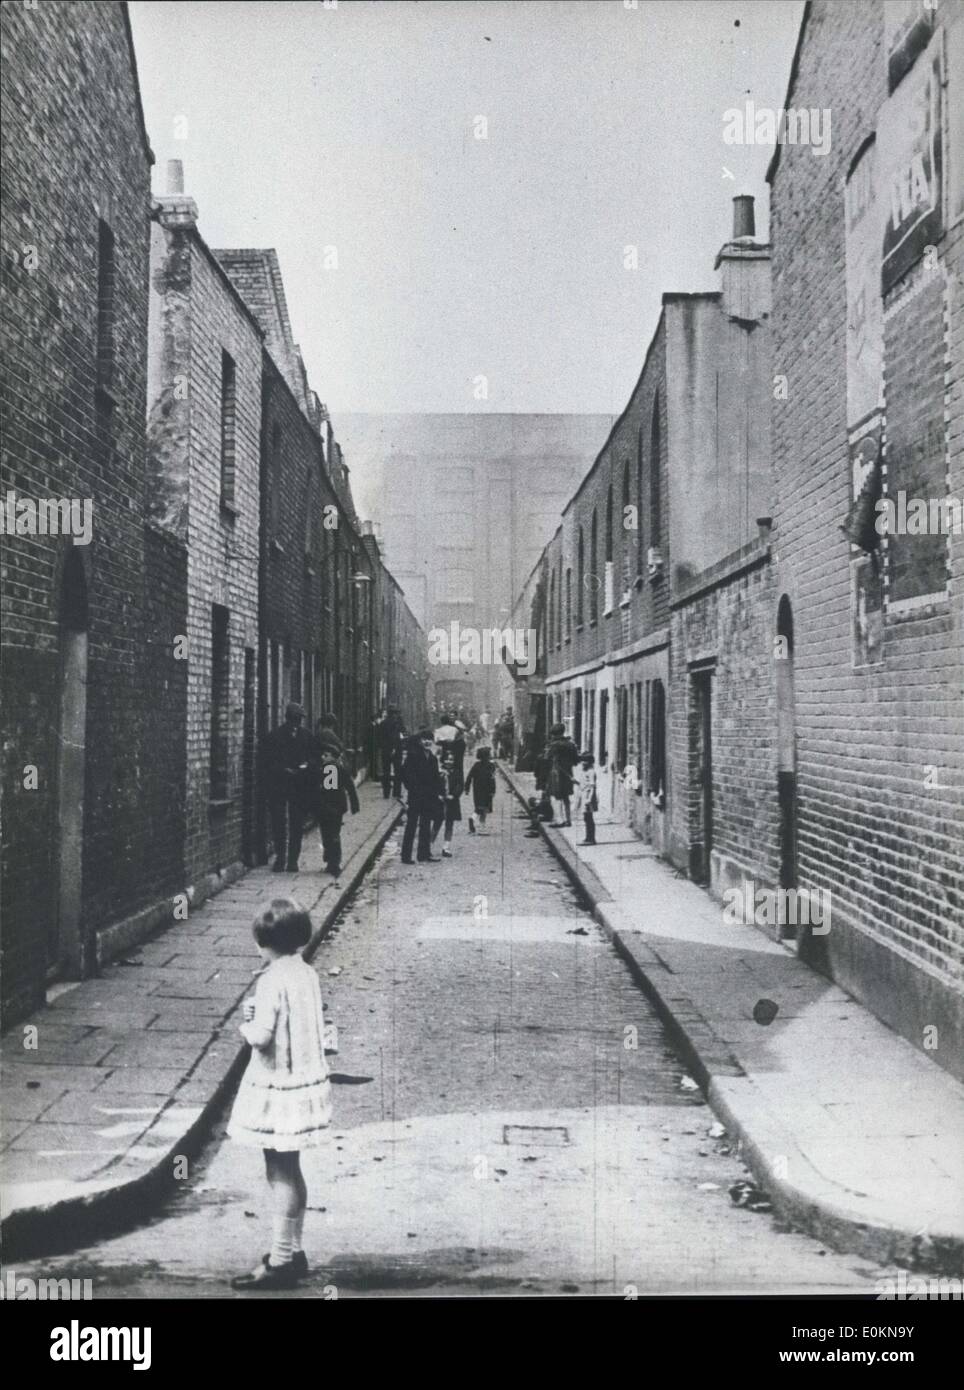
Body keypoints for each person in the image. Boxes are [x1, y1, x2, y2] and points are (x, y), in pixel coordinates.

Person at [228, 898, 332, 1289]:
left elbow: (262, 1036)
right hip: (303, 1085)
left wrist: (245, 1024)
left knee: (279, 1171)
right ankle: (295, 1250)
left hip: (278, 1088)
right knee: (293, 1167)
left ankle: (281, 1260)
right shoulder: (307, 974)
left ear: (265, 943)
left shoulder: (270, 980)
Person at [263, 702, 315, 872]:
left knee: (296, 824)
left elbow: (313, 759)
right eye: (294, 719)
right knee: (278, 823)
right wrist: (283, 769)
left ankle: (293, 860)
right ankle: (280, 858)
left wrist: (306, 767)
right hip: (280, 785)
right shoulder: (275, 736)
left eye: (299, 719)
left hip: (299, 786)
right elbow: (268, 762)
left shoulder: (307, 736)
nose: (297, 723)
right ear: (288, 719)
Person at [314, 715, 360, 876]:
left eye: (326, 755)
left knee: (330, 835)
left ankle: (334, 863)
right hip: (336, 807)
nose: (323, 757)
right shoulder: (338, 767)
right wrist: (354, 804)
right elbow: (350, 786)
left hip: (330, 807)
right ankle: (332, 860)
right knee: (332, 834)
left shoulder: (330, 770)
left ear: (332, 756)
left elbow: (329, 791)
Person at [400, 729, 444, 863]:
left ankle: (424, 854)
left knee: (425, 825)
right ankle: (406, 856)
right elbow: (405, 775)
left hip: (429, 797)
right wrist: (413, 788)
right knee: (411, 826)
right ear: (420, 741)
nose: (427, 742)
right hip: (416, 796)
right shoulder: (413, 756)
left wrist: (439, 793)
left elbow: (436, 778)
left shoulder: (432, 758)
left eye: (429, 739)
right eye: (424, 739)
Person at [546, 721, 579, 827]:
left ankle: (559, 820)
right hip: (568, 773)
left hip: (557, 773)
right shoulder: (571, 745)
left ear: (555, 734)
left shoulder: (554, 745)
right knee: (566, 797)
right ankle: (568, 820)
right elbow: (575, 761)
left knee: (556, 797)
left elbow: (547, 758)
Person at [375, 705, 405, 799]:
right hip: (397, 750)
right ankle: (397, 793)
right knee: (398, 772)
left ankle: (386, 793)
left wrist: (384, 747)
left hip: (386, 750)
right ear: (395, 713)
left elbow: (378, 738)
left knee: (386, 772)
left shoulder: (383, 724)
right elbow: (400, 735)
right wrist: (395, 748)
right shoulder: (398, 724)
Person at [465, 745, 496, 833]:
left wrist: (467, 788)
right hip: (487, 790)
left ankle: (473, 818)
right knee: (485, 809)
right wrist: (493, 790)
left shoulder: (476, 765)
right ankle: (482, 827)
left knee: (479, 807)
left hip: (477, 790)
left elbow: (469, 777)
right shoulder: (491, 766)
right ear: (487, 756)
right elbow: (492, 779)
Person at [575, 751, 598, 846]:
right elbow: (583, 784)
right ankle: (588, 837)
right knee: (586, 817)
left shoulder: (591, 772)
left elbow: (592, 786)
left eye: (584, 761)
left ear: (589, 762)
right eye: (582, 761)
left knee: (589, 818)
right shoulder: (585, 772)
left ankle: (591, 838)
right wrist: (575, 782)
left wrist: (589, 799)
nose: (582, 763)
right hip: (584, 795)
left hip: (588, 796)